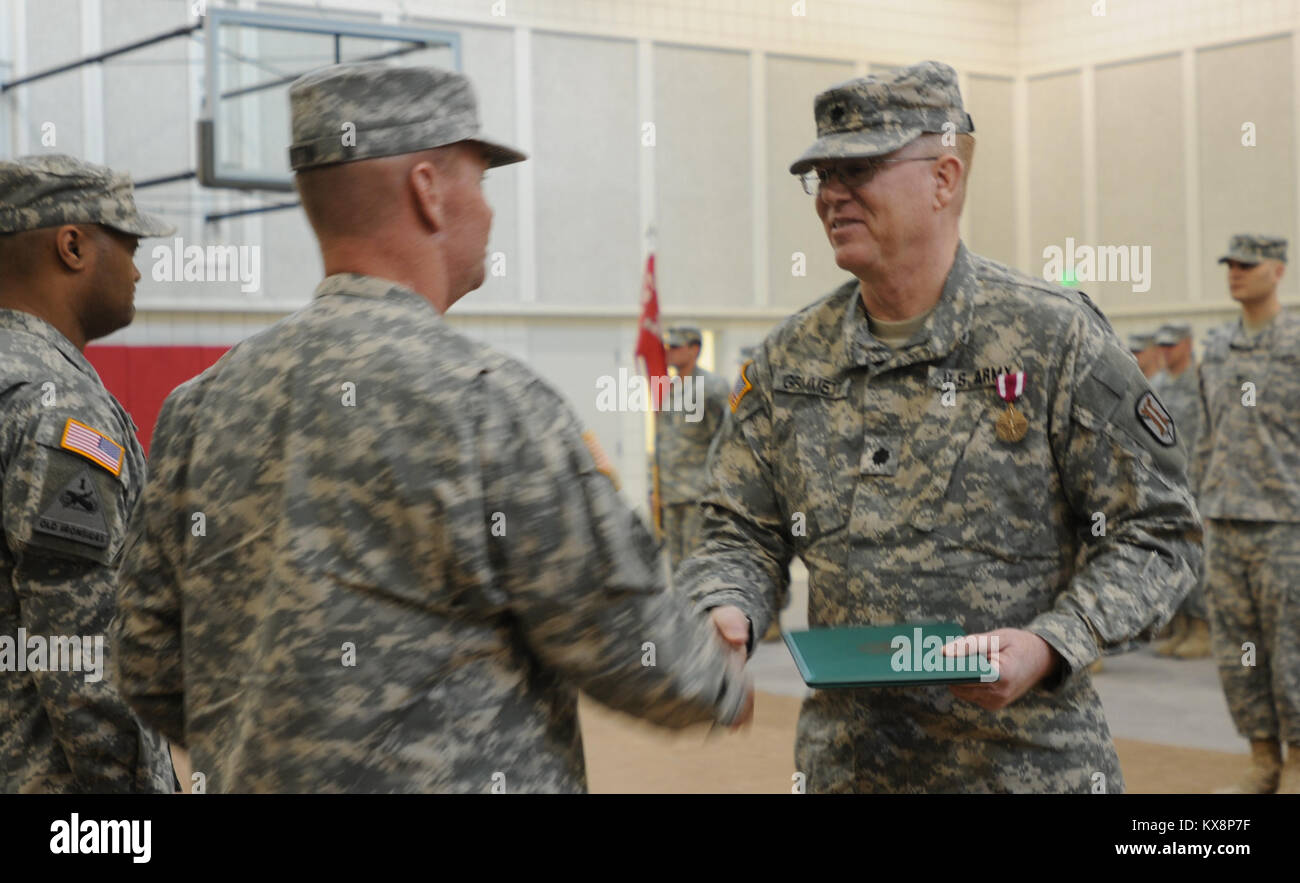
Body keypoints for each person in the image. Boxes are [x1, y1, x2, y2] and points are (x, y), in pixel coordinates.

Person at [112, 62, 751, 794]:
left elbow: (146, 660)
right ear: (428, 190)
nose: (488, 210)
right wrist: (719, 675)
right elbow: (628, 641)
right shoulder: (491, 403)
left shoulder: (198, 408)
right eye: (480, 180)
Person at [676, 61, 1201, 793]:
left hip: (1024, 766)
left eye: (858, 166)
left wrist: (1052, 643)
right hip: (851, 769)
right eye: (821, 172)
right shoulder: (791, 360)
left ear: (944, 177)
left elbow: (1160, 532)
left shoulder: (1054, 339)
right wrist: (727, 603)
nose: (831, 192)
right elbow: (741, 529)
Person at [0, 154, 175, 793]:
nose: (137, 268)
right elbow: (81, 656)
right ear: (72, 246)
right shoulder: (60, 405)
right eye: (128, 244)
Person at [1196, 234, 1300, 793]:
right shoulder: (1217, 347)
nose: (1235, 272)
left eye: (1247, 264)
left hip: (1289, 524)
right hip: (1225, 522)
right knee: (1241, 653)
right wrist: (1195, 506)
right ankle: (1263, 762)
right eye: (1229, 263)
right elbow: (1207, 436)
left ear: (1278, 270)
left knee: (1294, 652)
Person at [1150, 322, 1210, 659]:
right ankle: (1182, 623)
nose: (1166, 350)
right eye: (1163, 345)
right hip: (1166, 482)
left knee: (1198, 556)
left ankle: (1201, 628)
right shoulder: (1157, 384)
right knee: (1175, 555)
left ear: (1188, 344)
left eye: (1172, 345)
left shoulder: (1201, 382)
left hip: (1197, 481)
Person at [655, 325, 731, 576]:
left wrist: (719, 489)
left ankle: (698, 615)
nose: (669, 352)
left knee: (698, 567)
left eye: (676, 347)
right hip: (671, 494)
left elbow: (727, 438)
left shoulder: (713, 387)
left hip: (697, 494)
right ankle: (683, 615)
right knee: (676, 569)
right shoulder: (669, 388)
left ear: (695, 349)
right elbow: (663, 440)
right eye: (668, 346)